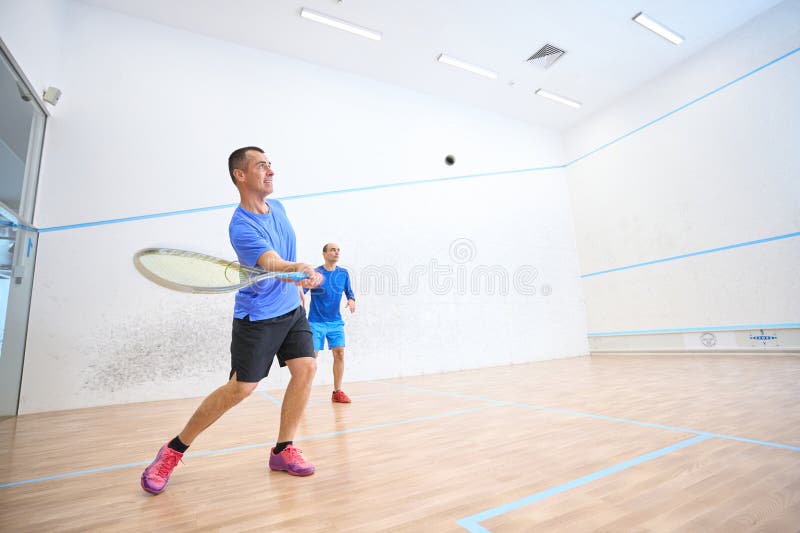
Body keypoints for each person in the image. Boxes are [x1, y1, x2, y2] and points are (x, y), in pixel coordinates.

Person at [141, 146, 323, 495]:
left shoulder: (279, 208)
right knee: (241, 388)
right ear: (240, 175)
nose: (270, 171)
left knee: (307, 368)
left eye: (271, 165)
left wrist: (297, 284)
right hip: (258, 317)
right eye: (261, 166)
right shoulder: (241, 226)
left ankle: (283, 450)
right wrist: (297, 268)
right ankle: (173, 450)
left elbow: (280, 261)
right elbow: (271, 261)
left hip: (291, 309)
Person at [305, 243, 356, 403]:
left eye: (338, 250)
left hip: (335, 322)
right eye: (333, 250)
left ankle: (337, 392)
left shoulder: (343, 273)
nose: (336, 252)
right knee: (311, 359)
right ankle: (303, 394)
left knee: (339, 353)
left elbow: (349, 291)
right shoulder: (315, 273)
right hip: (316, 322)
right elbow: (303, 290)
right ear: (324, 254)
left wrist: (351, 299)